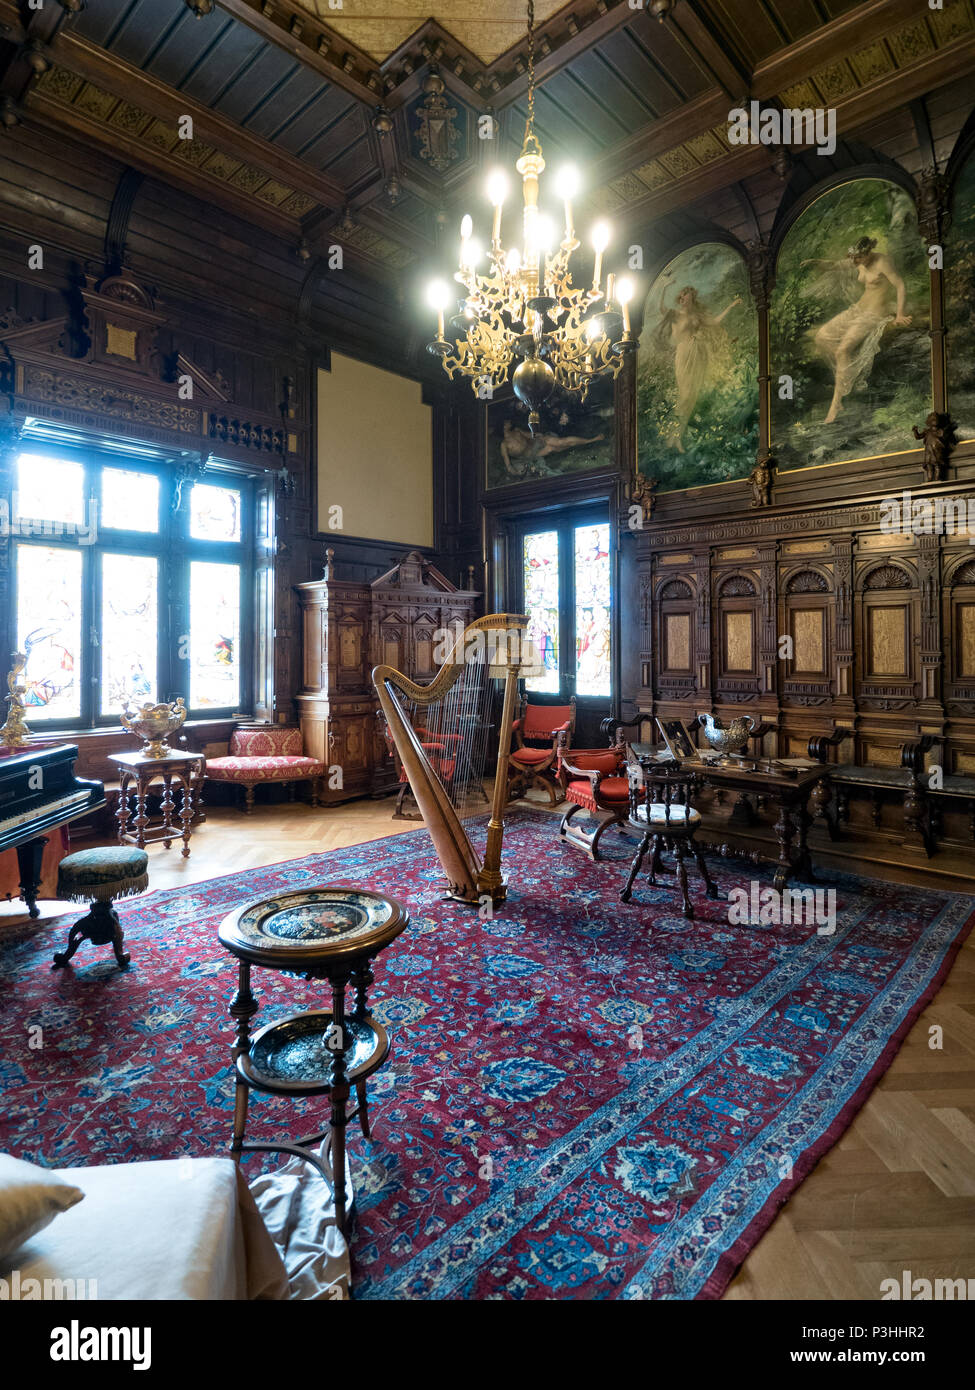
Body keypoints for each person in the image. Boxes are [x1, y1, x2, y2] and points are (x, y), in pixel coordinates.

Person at [801, 235, 911, 425]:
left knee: (842, 350)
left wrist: (899, 313)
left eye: (857, 258)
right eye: (852, 257)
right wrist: (815, 261)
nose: (854, 261)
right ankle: (848, 372)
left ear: (867, 253)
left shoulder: (883, 262)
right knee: (821, 337)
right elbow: (835, 264)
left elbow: (900, 285)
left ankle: (836, 403)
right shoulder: (857, 261)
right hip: (857, 310)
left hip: (873, 315)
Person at [651, 276, 742, 452]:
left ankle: (677, 438)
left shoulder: (697, 316)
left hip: (698, 354)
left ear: (692, 297)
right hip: (684, 353)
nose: (684, 298)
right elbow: (660, 308)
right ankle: (673, 436)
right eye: (682, 295)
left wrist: (730, 306)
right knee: (684, 395)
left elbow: (714, 322)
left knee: (692, 396)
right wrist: (664, 287)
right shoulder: (675, 314)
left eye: (687, 295)